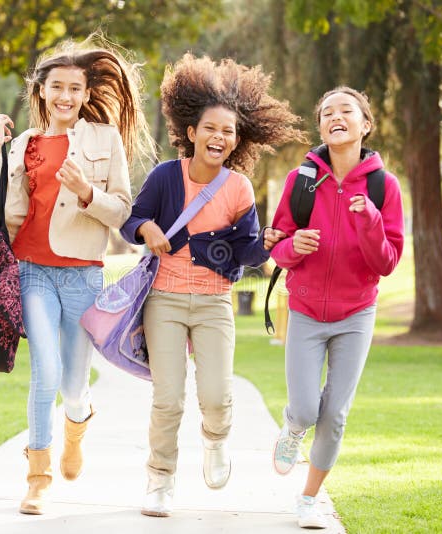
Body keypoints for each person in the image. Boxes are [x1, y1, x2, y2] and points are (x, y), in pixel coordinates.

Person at [120, 53, 306, 517]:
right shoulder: (166, 176)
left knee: (217, 395)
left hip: (213, 302)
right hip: (163, 299)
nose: (219, 137)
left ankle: (215, 441)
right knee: (167, 397)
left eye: (228, 131)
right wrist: (146, 231)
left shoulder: (239, 188)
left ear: (236, 140)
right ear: (190, 133)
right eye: (210, 128)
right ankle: (160, 479)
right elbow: (132, 219)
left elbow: (246, 253)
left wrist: (263, 243)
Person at [0, 37, 152, 515]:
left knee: (74, 385)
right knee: (46, 373)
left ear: (84, 93)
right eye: (56, 86)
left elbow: (121, 211)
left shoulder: (105, 139)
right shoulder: (23, 145)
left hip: (82, 275)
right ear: (41, 90)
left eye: (74, 88)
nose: (65, 96)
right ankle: (37, 476)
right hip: (32, 270)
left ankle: (77, 426)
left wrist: (85, 191)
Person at [269, 86, 404, 529]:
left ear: (365, 124)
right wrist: (295, 245)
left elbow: (386, 262)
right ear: (322, 126)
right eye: (327, 112)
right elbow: (279, 248)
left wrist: (369, 220)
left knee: (336, 414)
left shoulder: (385, 187)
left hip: (356, 314)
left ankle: (309, 498)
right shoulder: (301, 180)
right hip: (306, 309)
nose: (335, 116)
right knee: (307, 409)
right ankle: (292, 429)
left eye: (346, 110)